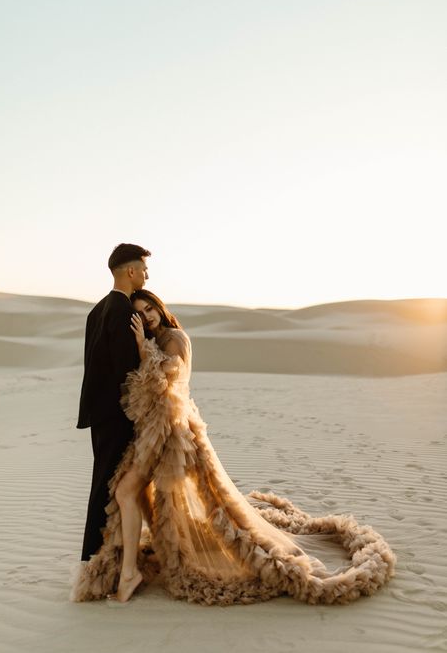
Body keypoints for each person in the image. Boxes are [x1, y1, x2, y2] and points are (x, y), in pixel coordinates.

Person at [71, 290, 396, 606]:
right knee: (141, 496)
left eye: (150, 308)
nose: (147, 315)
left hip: (170, 431)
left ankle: (129, 574)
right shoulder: (156, 340)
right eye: (140, 313)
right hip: (153, 430)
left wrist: (142, 347)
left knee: (129, 491)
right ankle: (136, 565)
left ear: (159, 306)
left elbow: (168, 382)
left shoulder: (175, 338)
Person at [76, 243, 151, 562]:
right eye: (144, 269)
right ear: (131, 271)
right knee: (109, 486)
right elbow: (127, 372)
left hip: (99, 412)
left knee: (106, 482)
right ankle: (94, 559)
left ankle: (105, 554)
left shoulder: (98, 309)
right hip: (118, 414)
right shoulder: (124, 311)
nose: (147, 275)